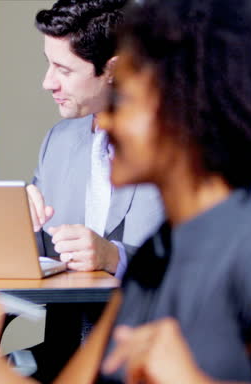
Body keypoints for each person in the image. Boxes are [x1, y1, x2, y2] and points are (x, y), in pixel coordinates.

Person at [0, 0, 251, 384]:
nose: (103, 121)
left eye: (124, 101)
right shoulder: (156, 260)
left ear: (186, 112)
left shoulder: (247, 247)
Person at [28, 0, 163, 278]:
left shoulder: (183, 145)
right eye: (48, 64)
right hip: (69, 322)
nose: (48, 82)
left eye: (63, 70)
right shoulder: (58, 142)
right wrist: (18, 222)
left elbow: (211, 266)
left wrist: (114, 257)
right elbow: (36, 257)